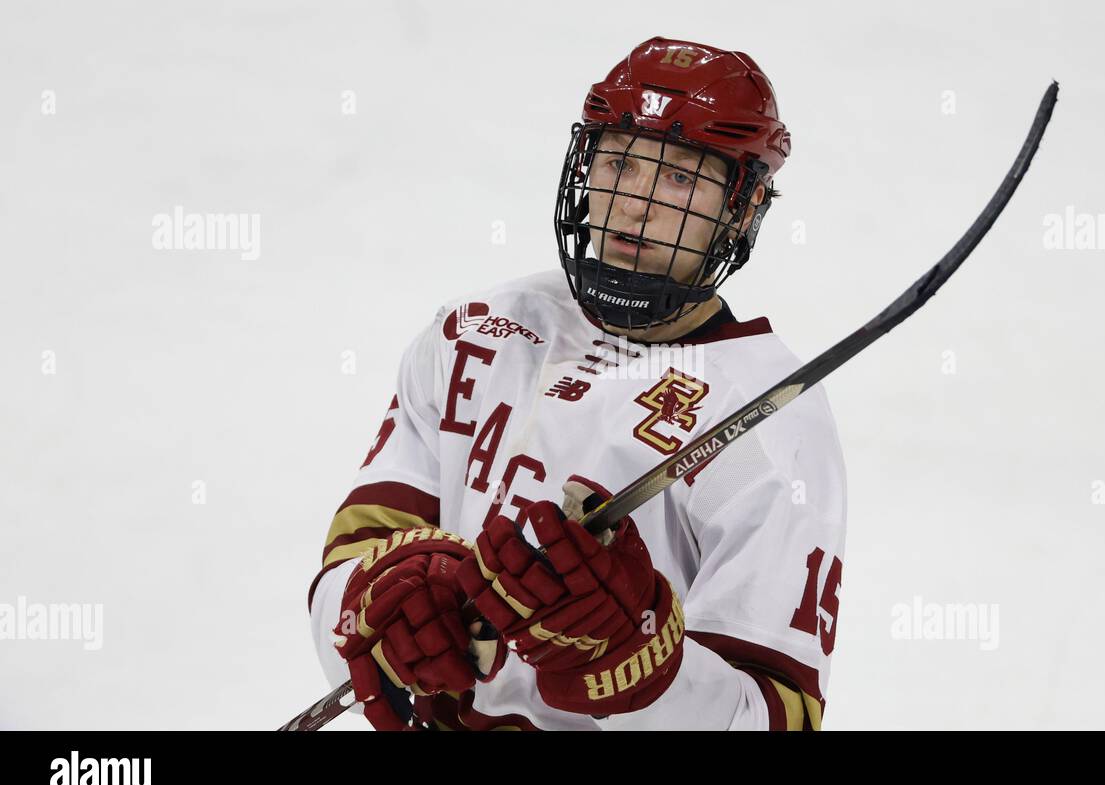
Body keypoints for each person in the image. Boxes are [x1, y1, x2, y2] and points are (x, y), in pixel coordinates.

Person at [307, 36, 847, 730]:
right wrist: (384, 602)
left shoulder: (768, 425)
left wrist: (640, 666)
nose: (635, 204)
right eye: (619, 163)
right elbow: (345, 573)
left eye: (680, 178)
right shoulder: (477, 332)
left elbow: (774, 716)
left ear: (741, 210)